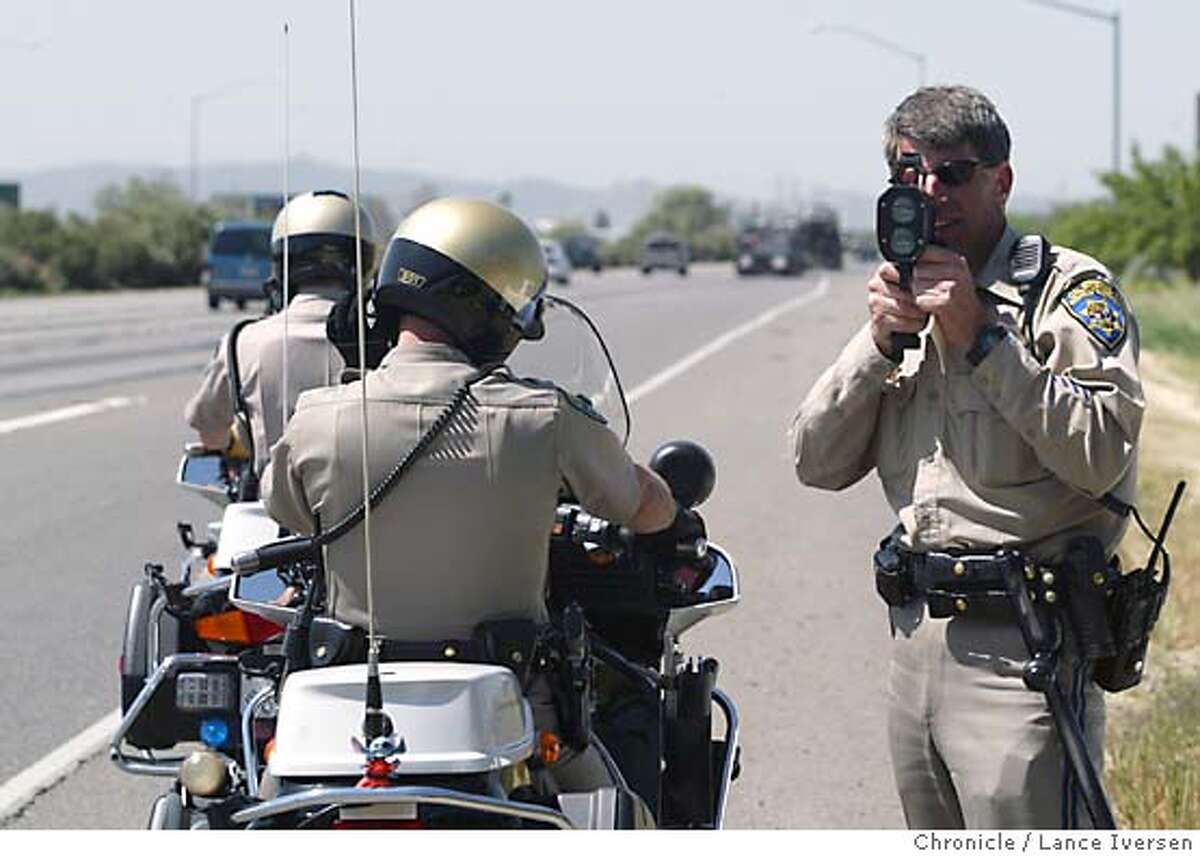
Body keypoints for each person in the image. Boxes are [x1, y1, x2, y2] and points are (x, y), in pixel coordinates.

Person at [262, 197, 689, 810]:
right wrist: (675, 518)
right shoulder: (543, 416)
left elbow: (291, 517)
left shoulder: (317, 417)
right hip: (513, 704)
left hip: (349, 710)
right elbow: (646, 506)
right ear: (485, 313)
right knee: (619, 812)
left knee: (258, 808)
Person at [790, 86, 1143, 829]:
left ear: (1000, 181)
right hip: (917, 647)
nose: (928, 192)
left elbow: (1101, 454)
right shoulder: (901, 300)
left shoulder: (1063, 293)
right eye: (907, 172)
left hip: (1026, 654)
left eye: (951, 174)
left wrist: (982, 336)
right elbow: (815, 462)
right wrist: (882, 341)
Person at [184, 189, 377, 479]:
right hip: (372, 511)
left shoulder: (242, 342)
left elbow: (210, 432)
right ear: (362, 261)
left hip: (275, 514)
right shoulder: (389, 339)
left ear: (281, 263)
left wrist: (247, 438)